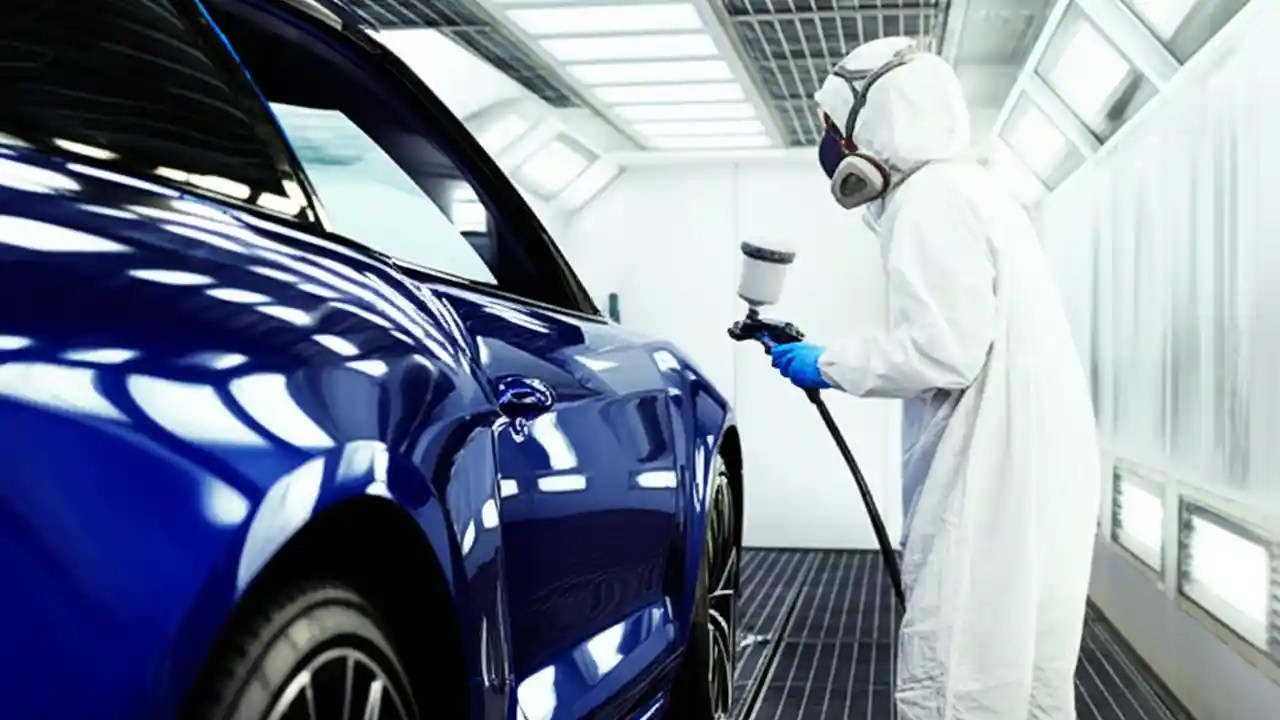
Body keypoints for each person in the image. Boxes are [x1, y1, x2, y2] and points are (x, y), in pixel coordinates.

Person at [769, 36, 1103, 719]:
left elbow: (943, 351)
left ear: (871, 128)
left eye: (834, 128)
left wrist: (828, 364)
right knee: (1024, 669)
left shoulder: (927, 201)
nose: (829, 145)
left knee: (958, 669)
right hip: (1038, 461)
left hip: (989, 471)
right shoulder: (978, 191)